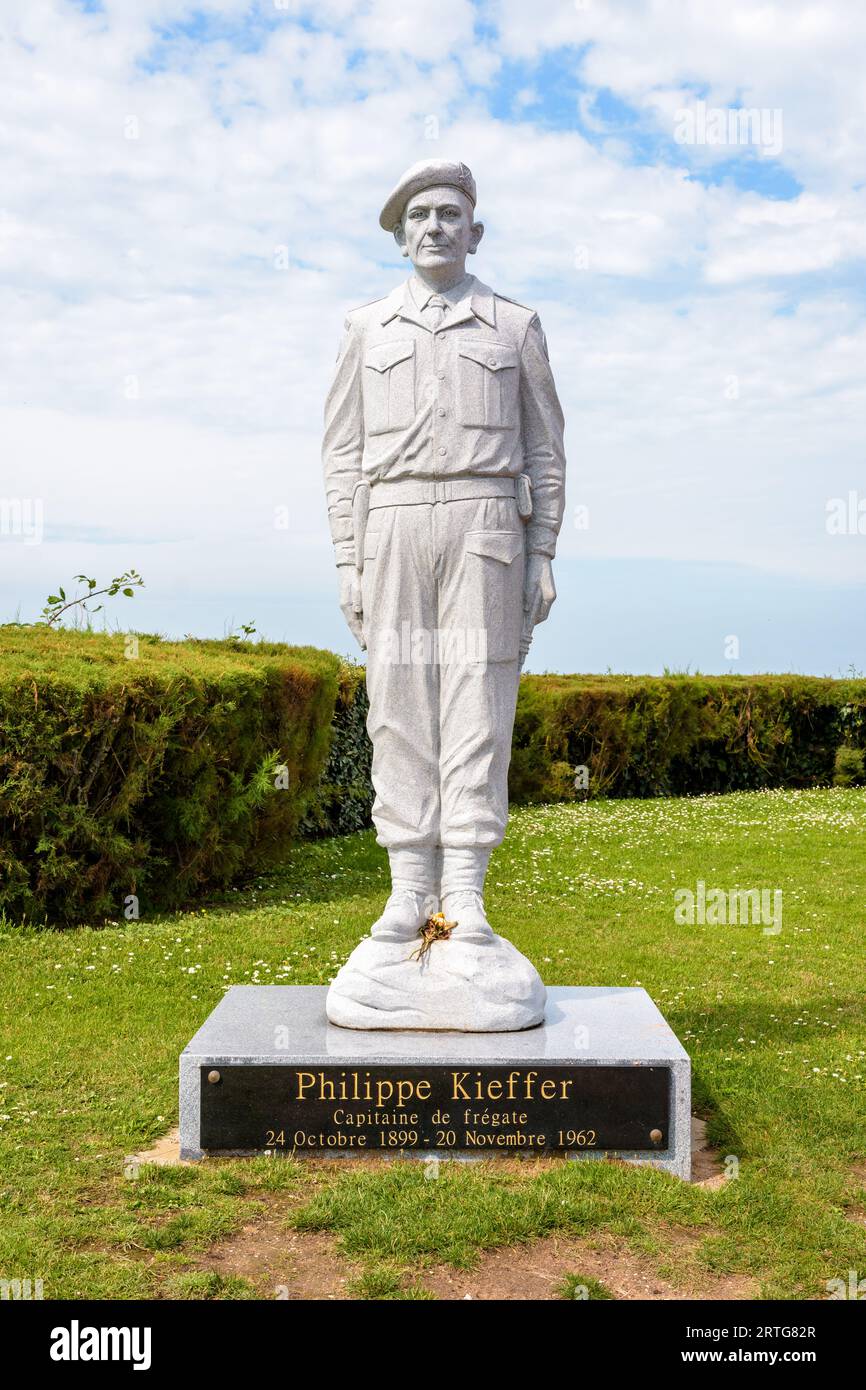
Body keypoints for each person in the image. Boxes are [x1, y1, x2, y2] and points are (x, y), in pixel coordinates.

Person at [322, 159, 566, 948]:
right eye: (419, 215)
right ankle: (407, 889)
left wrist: (543, 553)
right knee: (396, 702)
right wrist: (348, 559)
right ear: (401, 237)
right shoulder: (366, 329)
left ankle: (463, 888)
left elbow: (546, 451)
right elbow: (341, 452)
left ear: (475, 230)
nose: (435, 226)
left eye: (450, 213)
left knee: (477, 702)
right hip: (391, 521)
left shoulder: (514, 326)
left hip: (486, 525)